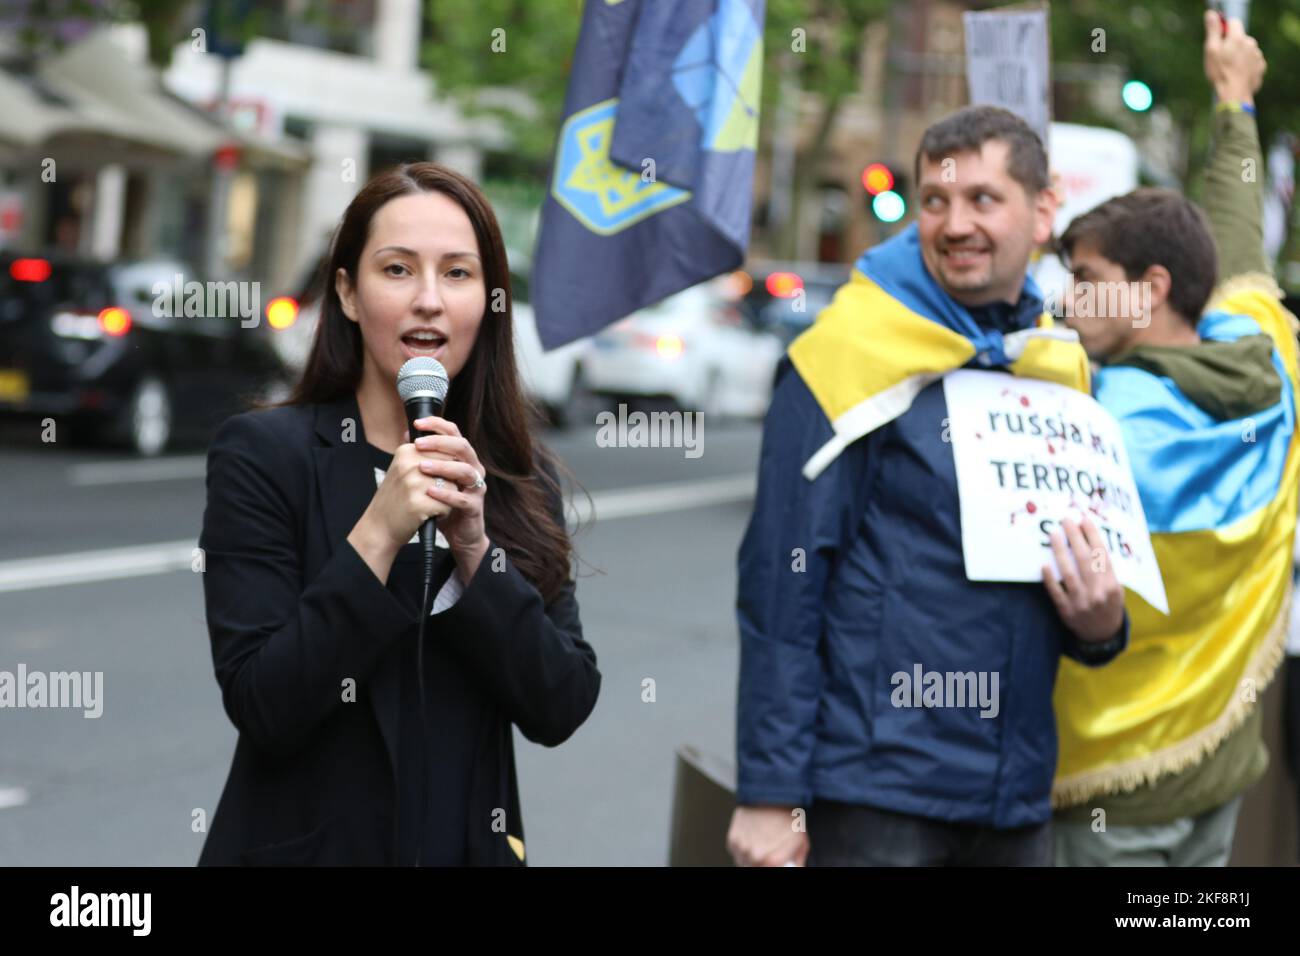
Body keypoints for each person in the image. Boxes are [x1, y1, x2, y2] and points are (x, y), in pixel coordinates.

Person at [727, 105, 1128, 868]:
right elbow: (783, 582)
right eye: (935, 201)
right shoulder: (839, 358)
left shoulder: (1054, 365)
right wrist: (771, 791)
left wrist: (1101, 626)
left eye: (982, 198)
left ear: (1043, 211)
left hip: (1016, 801)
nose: (955, 224)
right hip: (879, 798)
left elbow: (1073, 581)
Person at [196, 162, 600, 866]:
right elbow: (264, 704)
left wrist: (476, 549)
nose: (428, 301)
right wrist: (379, 534)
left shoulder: (511, 474)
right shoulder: (265, 454)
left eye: (457, 274)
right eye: (396, 270)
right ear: (348, 294)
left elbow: (560, 702)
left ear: (489, 300)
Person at [1051, 14, 1299, 866]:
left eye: (1084, 283)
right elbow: (1236, 244)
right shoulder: (1269, 362)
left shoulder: (1089, 422)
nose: (1066, 303)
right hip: (1220, 772)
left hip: (1107, 797)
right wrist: (1235, 101)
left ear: (1151, 288)